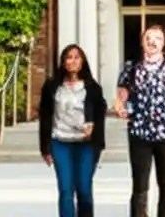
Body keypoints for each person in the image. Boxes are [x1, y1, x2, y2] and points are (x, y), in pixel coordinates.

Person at [115, 24, 165, 217]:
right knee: (140, 184)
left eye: (158, 38)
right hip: (139, 133)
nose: (152, 41)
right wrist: (121, 105)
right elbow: (122, 94)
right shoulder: (131, 67)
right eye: (148, 37)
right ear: (142, 41)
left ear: (164, 43)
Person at [39, 43, 107, 217]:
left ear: (83, 61)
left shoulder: (92, 87)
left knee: (84, 189)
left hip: (86, 144)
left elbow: (100, 114)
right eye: (69, 57)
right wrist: (44, 147)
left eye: (77, 57)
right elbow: (45, 115)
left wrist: (98, 140)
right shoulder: (52, 86)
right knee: (65, 190)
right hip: (60, 142)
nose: (73, 61)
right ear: (63, 62)